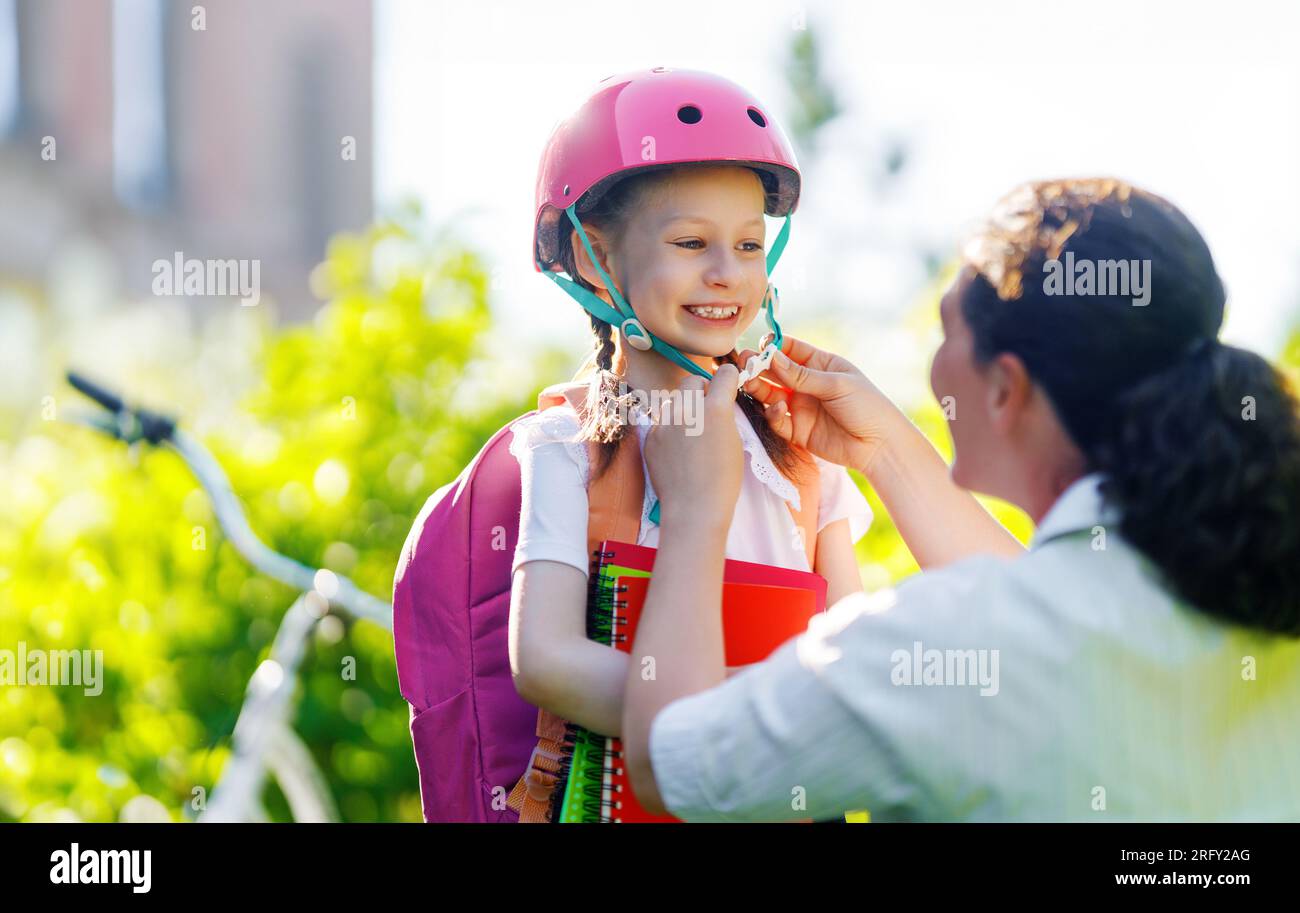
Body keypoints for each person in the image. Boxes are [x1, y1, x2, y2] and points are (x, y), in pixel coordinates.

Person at [621, 178, 1300, 822]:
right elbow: (1046, 612)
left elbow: (667, 760)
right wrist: (887, 450)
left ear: (1006, 388)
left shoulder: (924, 648)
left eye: (948, 332)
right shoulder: (1241, 585)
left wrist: (694, 513)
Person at [509, 69, 884, 742]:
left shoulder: (798, 447)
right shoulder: (568, 444)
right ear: (592, 259)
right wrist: (734, 716)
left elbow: (849, 638)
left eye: (748, 244)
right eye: (690, 243)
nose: (728, 272)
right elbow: (545, 660)